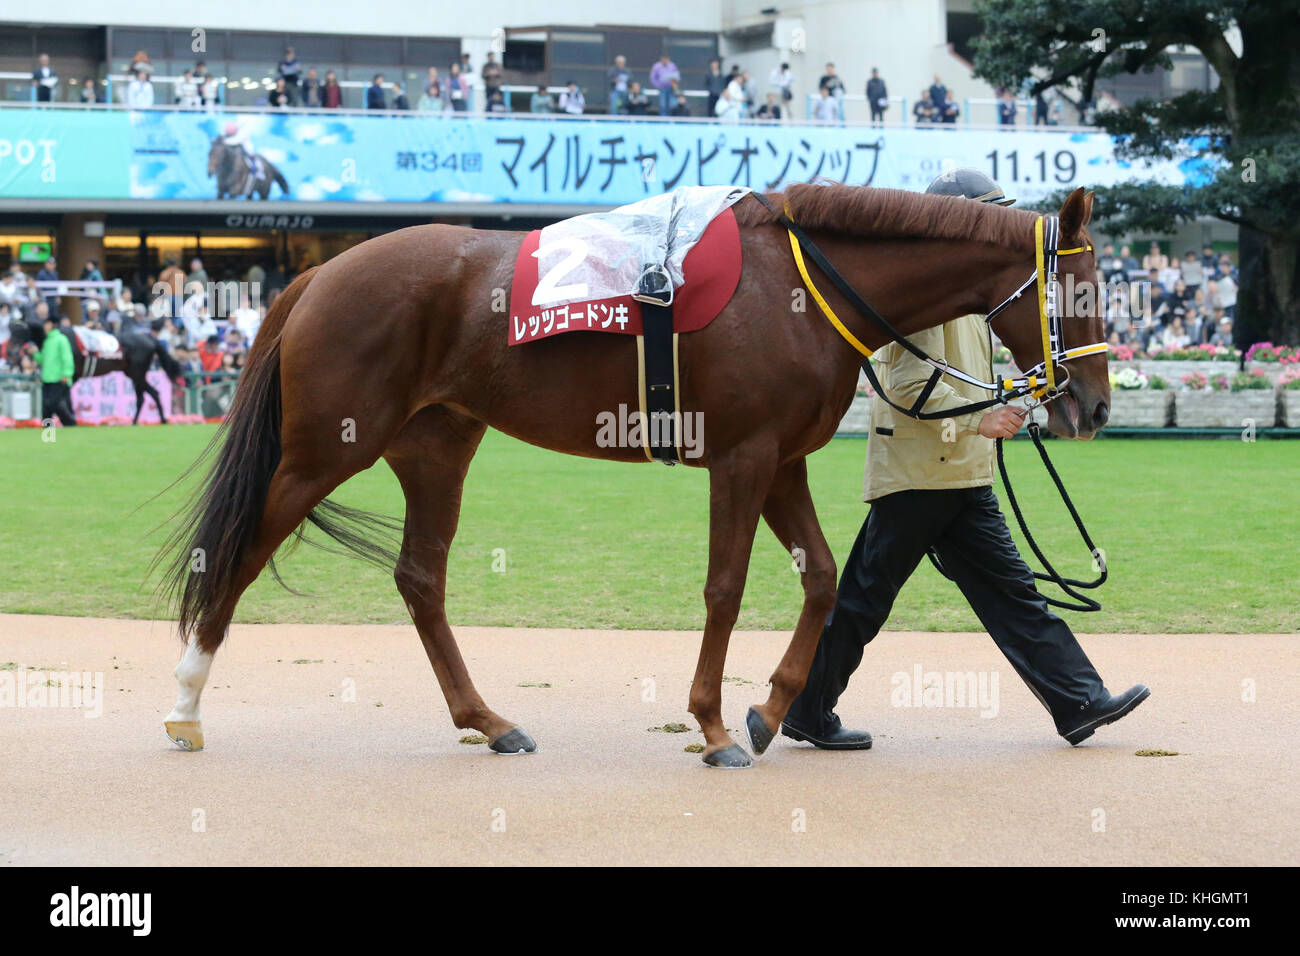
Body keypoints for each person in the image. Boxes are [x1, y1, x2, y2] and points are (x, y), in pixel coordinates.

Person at [782, 167, 1149, 752]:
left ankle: (1077, 699)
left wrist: (1014, 394)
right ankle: (804, 705)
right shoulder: (925, 293)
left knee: (1007, 595)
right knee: (862, 600)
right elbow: (901, 385)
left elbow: (961, 377)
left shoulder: (977, 292)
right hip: (918, 474)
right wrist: (978, 418)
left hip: (960, 472)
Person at [32, 312, 77, 426]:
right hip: (47, 378)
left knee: (54, 405)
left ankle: (71, 424)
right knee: (47, 407)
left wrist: (67, 374)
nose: (44, 326)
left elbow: (67, 358)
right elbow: (43, 359)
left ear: (53, 325)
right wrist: (34, 353)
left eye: (47, 324)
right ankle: (48, 433)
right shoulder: (47, 341)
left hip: (58, 379)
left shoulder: (61, 339)